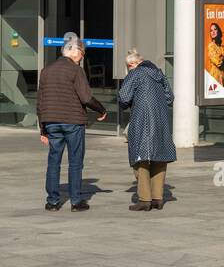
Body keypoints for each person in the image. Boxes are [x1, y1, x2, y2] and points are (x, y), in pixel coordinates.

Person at [37, 33, 107, 212]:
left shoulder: (46, 71)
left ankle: (52, 201)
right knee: (75, 161)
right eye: (82, 53)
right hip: (73, 122)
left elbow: (40, 101)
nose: (83, 56)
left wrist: (42, 129)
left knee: (54, 161)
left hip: (51, 122)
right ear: (74, 52)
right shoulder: (76, 70)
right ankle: (76, 201)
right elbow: (86, 97)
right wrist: (102, 109)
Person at [118, 48, 177, 212]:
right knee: (159, 157)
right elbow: (170, 97)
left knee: (140, 159)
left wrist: (129, 104)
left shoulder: (135, 73)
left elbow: (123, 97)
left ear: (132, 64)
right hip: (161, 120)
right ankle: (158, 198)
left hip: (142, 120)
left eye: (128, 67)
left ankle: (144, 199)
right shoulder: (159, 74)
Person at [206, 21, 224, 90]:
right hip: (214, 77)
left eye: (215, 29)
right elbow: (219, 62)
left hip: (223, 77)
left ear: (218, 31)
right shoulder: (211, 46)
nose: (213, 32)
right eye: (211, 30)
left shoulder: (223, 48)